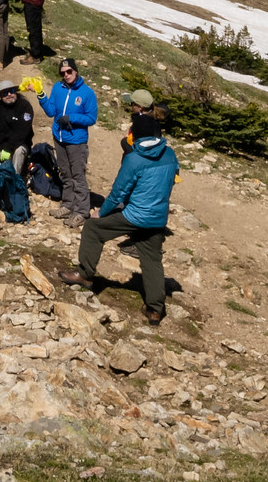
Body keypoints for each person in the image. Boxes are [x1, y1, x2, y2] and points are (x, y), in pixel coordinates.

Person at [60, 114, 179, 324]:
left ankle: (85, 275)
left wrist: (101, 212)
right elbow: (173, 179)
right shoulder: (169, 154)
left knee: (93, 228)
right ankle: (155, 309)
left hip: (135, 215)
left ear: (137, 135)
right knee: (152, 260)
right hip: (158, 218)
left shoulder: (134, 158)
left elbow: (118, 193)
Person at [38, 58, 99, 224]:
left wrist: (71, 118)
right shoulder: (58, 88)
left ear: (76, 71)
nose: (66, 75)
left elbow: (91, 118)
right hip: (59, 138)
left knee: (78, 175)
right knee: (65, 173)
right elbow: (51, 111)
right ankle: (68, 204)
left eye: (69, 71)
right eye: (63, 73)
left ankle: (82, 211)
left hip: (76, 140)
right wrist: (41, 95)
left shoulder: (87, 93)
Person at [0, 79, 35, 176]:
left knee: (19, 151)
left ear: (15, 92)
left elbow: (22, 131)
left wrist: (8, 148)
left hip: (18, 144)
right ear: (0, 96)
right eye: (4, 93)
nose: (9, 94)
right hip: (0, 146)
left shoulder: (25, 106)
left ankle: (14, 181)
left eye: (11, 91)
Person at [119, 88, 170, 155]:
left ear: (140, 107)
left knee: (124, 142)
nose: (131, 106)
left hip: (140, 157)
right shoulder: (153, 117)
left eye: (132, 103)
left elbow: (140, 149)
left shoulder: (142, 124)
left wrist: (125, 141)